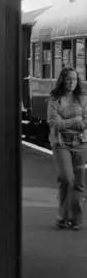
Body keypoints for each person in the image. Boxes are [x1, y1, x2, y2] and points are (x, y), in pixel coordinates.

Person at [47, 66, 87, 230]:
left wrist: (69, 122)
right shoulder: (55, 99)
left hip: (81, 143)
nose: (72, 82)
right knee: (66, 178)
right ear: (63, 80)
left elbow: (85, 122)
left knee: (78, 183)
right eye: (69, 79)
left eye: (75, 79)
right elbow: (54, 123)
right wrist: (75, 121)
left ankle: (73, 219)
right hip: (60, 143)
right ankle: (64, 216)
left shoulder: (83, 99)